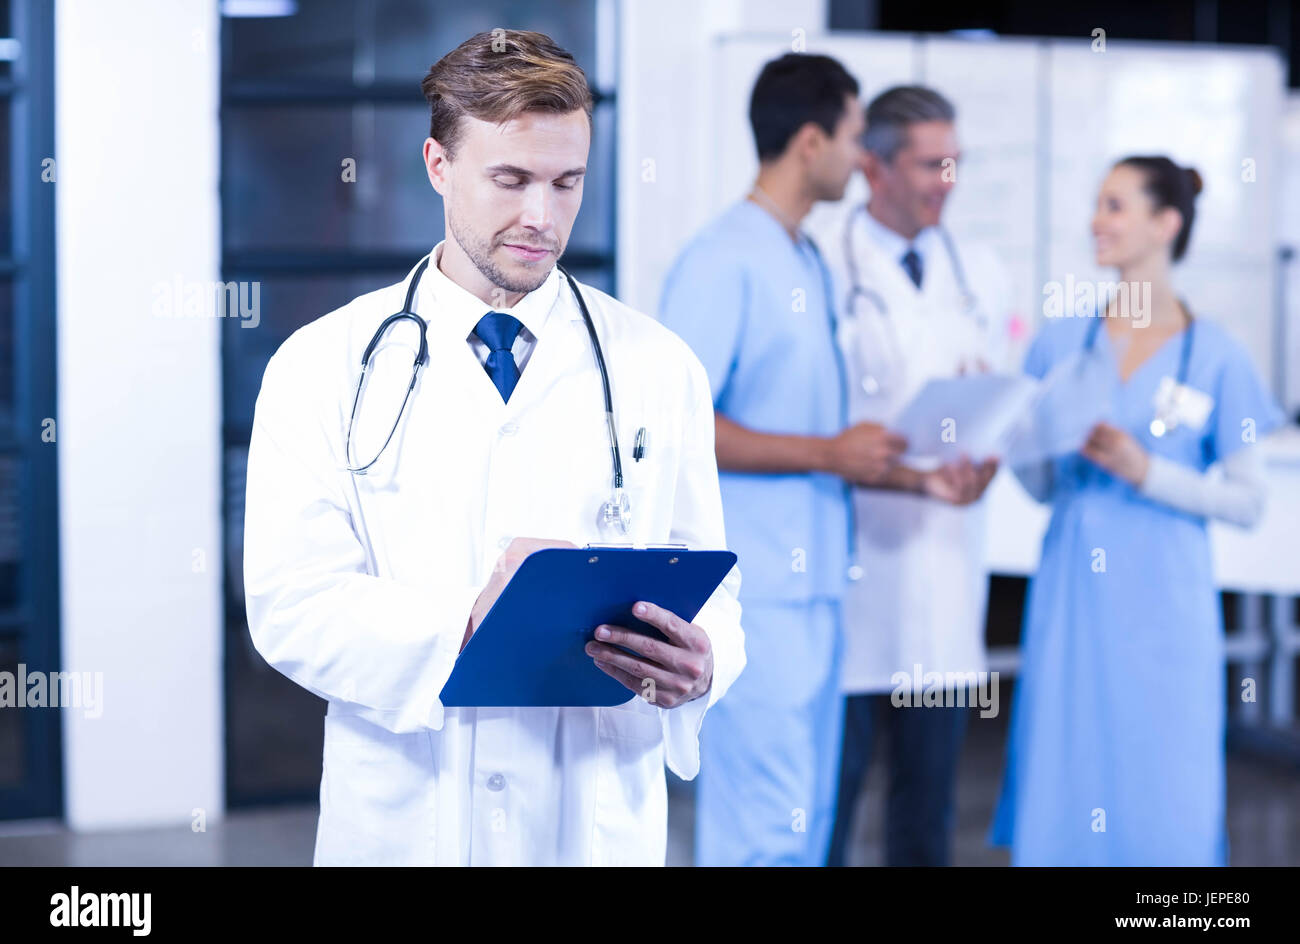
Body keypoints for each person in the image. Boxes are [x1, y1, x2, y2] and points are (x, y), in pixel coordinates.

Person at [242, 30, 745, 867]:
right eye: (510, 180)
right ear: (438, 165)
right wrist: (468, 625)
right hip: (409, 815)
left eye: (566, 182)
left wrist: (705, 662)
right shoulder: (323, 365)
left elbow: (712, 586)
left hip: (592, 818)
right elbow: (290, 602)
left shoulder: (657, 366)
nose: (541, 218)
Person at [989, 156, 1284, 865]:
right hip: (1073, 603)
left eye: (1115, 205)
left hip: (1166, 613)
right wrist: (1005, 434)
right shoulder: (1063, 345)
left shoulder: (1217, 356)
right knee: (1067, 769)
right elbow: (1041, 485)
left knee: (1166, 792)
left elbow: (1248, 502)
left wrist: (1145, 471)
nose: (1098, 221)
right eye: (1097, 204)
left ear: (1166, 223)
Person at [659, 53, 905, 867]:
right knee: (762, 828)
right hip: (751, 593)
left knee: (807, 818)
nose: (861, 157)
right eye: (854, 136)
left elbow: (803, 425)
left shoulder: (803, 257)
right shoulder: (723, 258)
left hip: (816, 586)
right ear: (809, 140)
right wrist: (828, 452)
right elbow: (679, 431)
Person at [822, 85, 1013, 867]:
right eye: (931, 163)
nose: (946, 180)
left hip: (943, 583)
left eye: (955, 163)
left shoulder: (983, 272)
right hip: (852, 577)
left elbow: (995, 399)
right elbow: (815, 429)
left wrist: (986, 466)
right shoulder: (826, 271)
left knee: (927, 814)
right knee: (829, 808)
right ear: (873, 165)